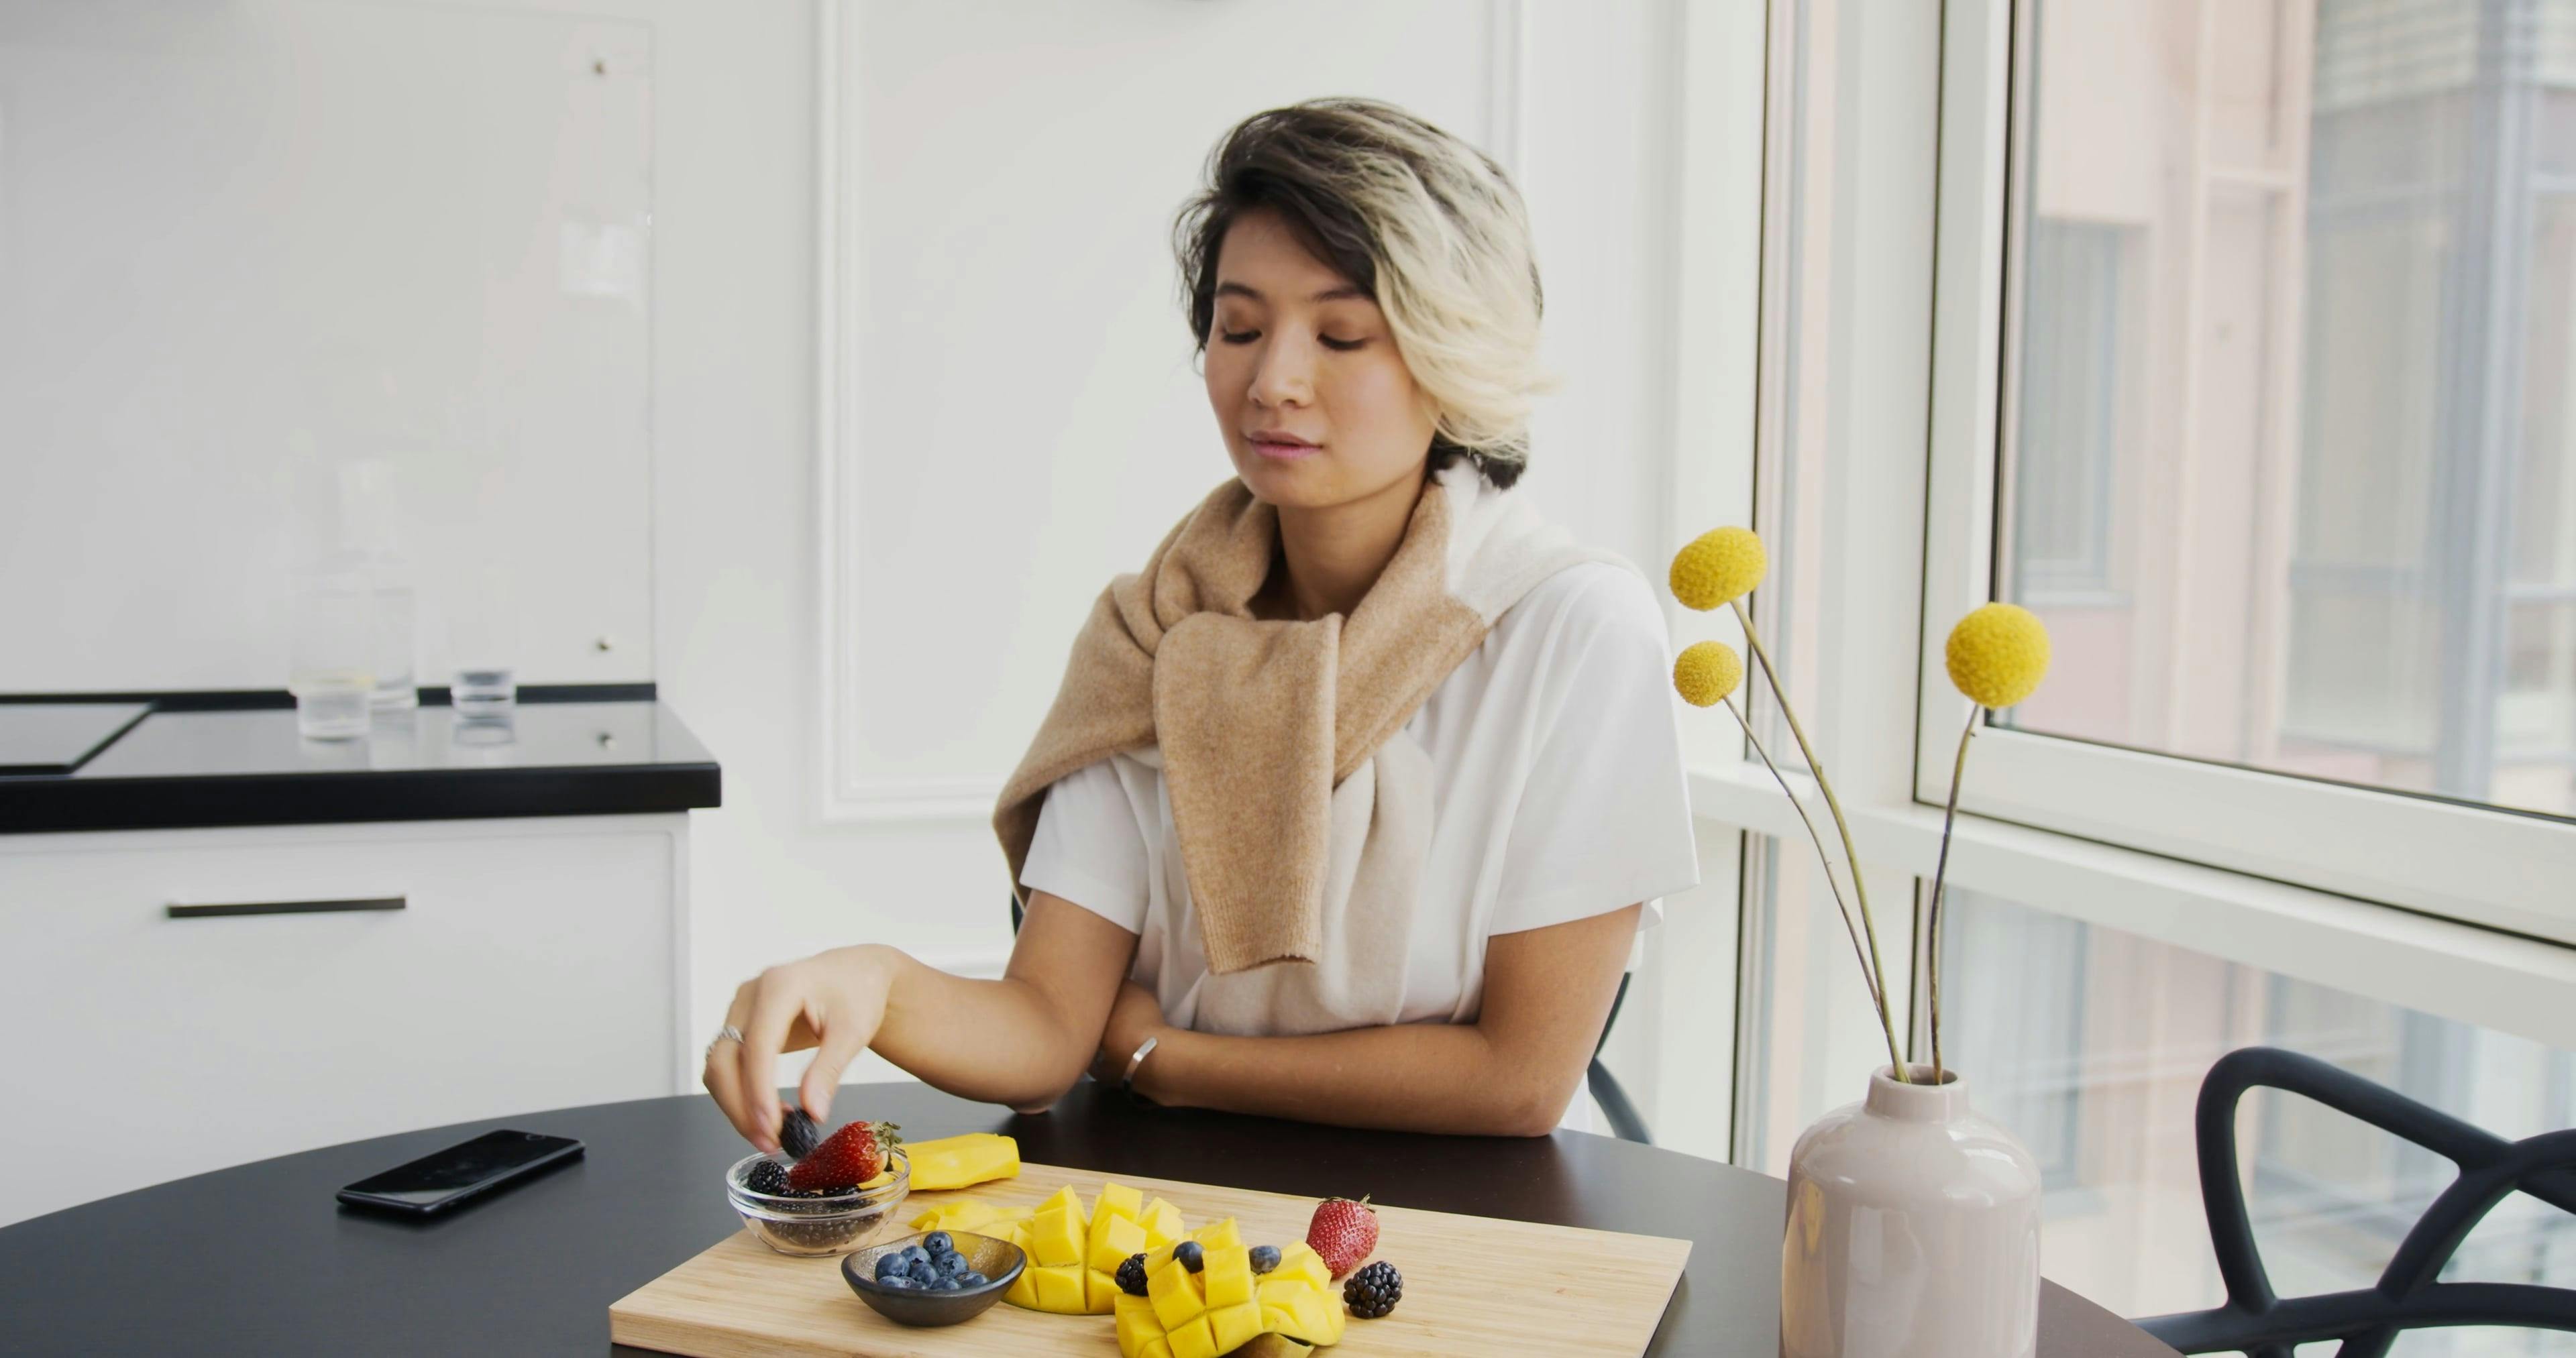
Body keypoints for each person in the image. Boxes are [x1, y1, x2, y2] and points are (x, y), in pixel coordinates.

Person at [704, 98, 1696, 1149]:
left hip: (1490, 1241)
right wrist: (877, 983)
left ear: (1456, 357)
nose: (1273, 382)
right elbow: (1045, 1026)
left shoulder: (1573, 628)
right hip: (1180, 1232)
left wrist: (1164, 1060)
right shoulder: (1153, 634)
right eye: (1239, 327)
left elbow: (1520, 1080)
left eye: (1342, 332)